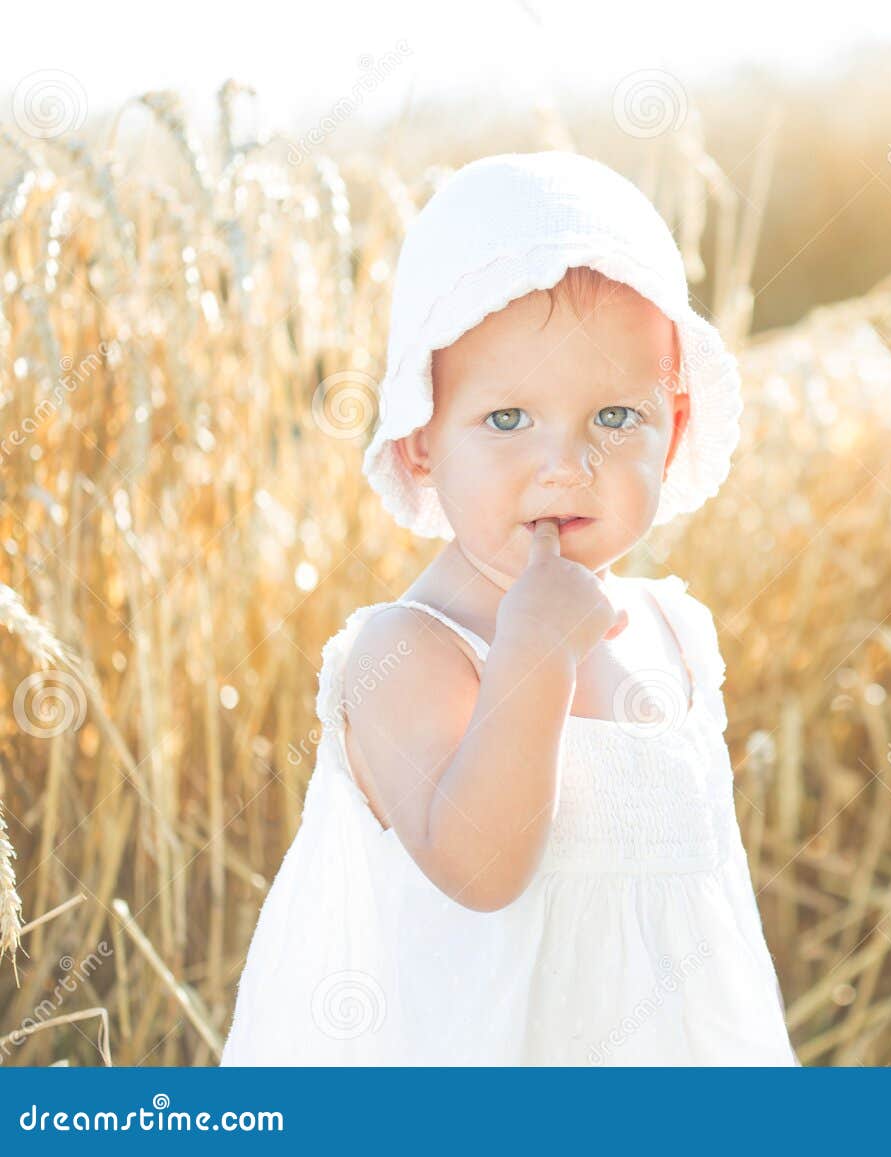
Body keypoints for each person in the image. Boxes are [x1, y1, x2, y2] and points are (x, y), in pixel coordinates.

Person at [220, 151, 798, 1065]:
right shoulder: (409, 652)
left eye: (615, 417)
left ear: (673, 428)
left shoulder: (671, 632)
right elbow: (483, 871)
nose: (565, 465)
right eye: (506, 420)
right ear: (418, 442)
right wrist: (534, 653)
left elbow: (711, 912)